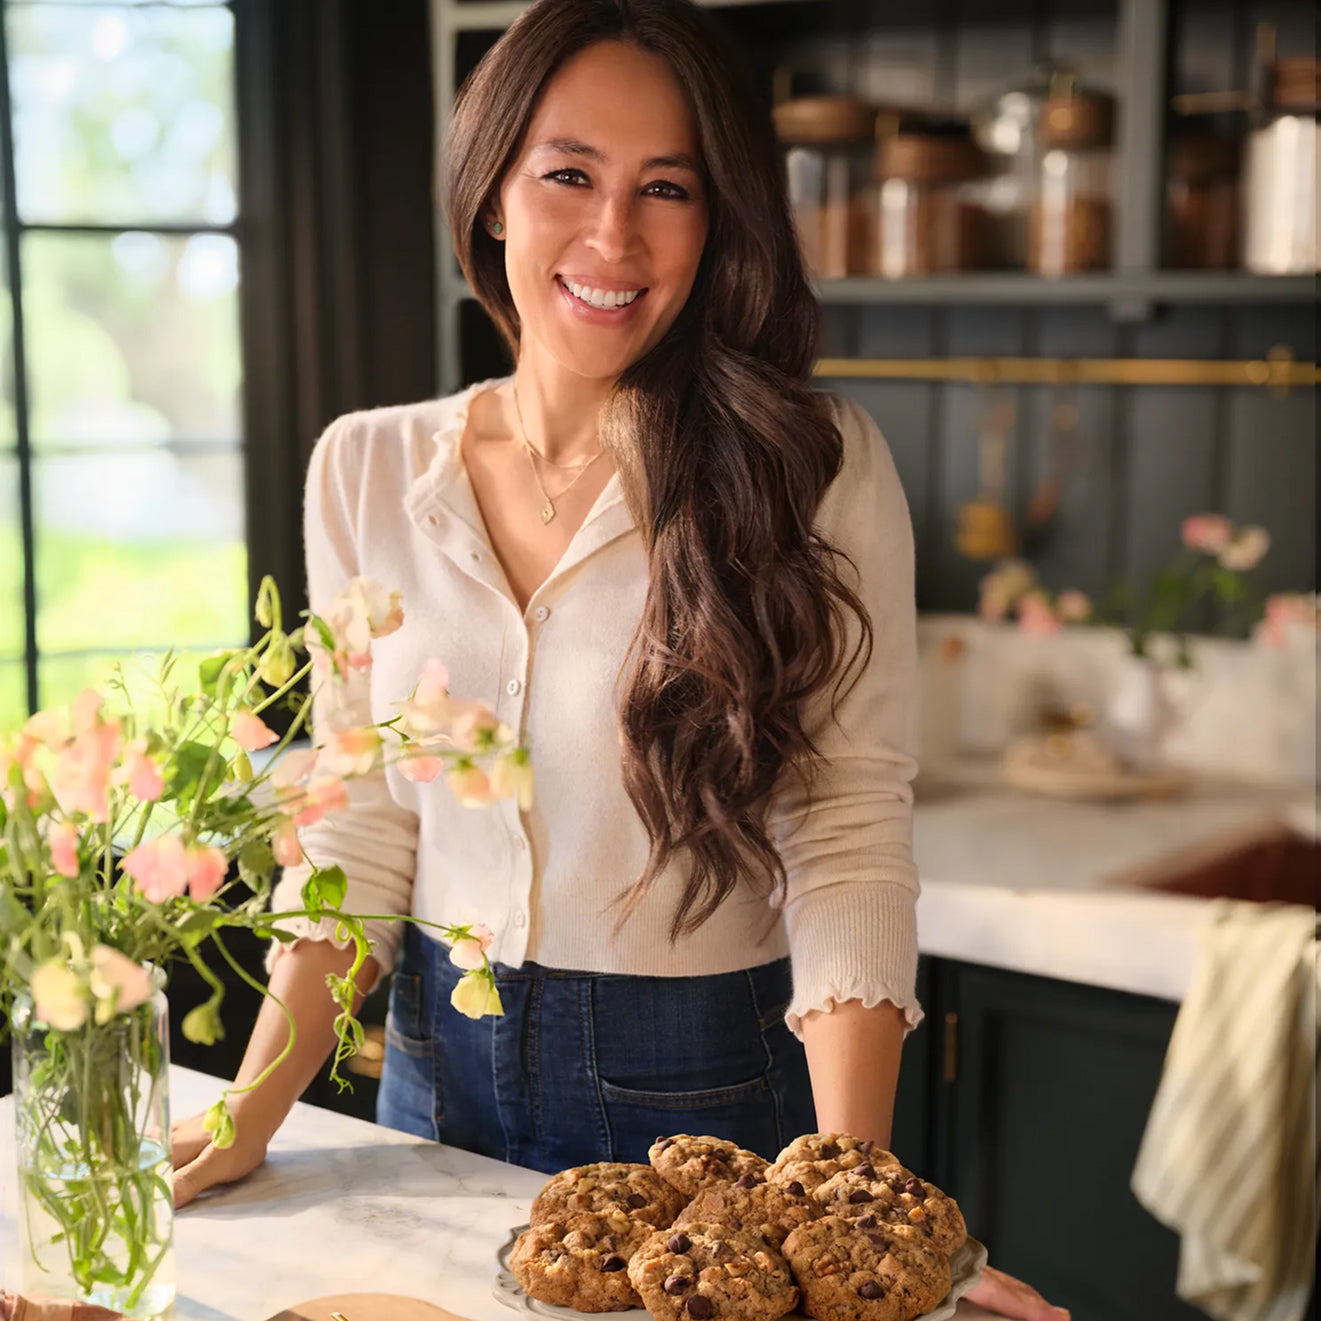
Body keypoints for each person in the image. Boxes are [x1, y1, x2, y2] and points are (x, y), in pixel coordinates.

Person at [171, 2, 1068, 1316]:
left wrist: (851, 1207)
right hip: (435, 1061)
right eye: (568, 176)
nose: (613, 237)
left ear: (718, 223)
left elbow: (844, 825)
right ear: (488, 196)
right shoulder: (364, 466)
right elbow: (360, 816)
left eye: (667, 189)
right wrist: (253, 1109)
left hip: (701, 1080)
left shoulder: (811, 464)